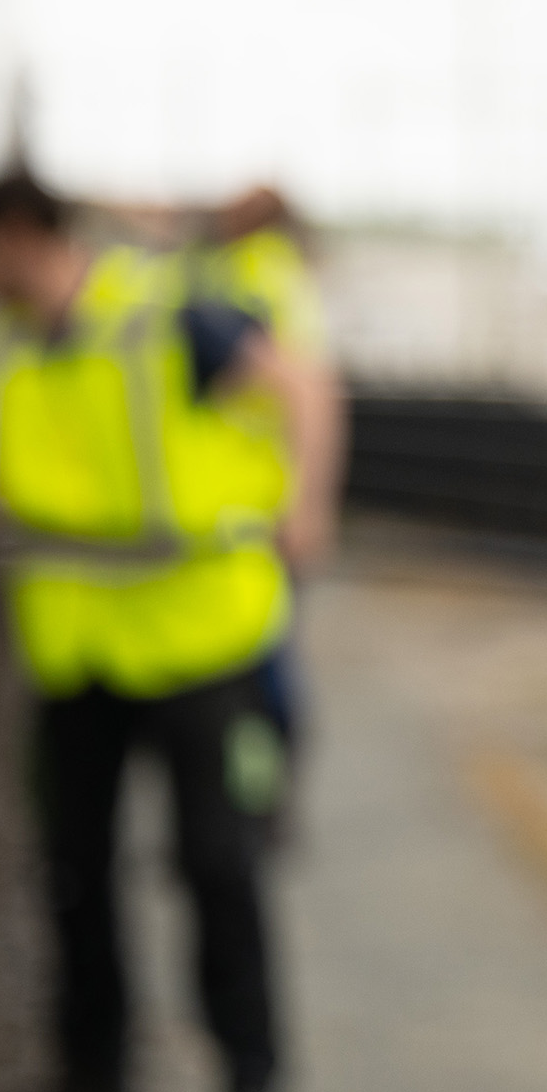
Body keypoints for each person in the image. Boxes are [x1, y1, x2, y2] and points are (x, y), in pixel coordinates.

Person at [0, 166, 339, 1092]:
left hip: (202, 639)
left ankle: (249, 1087)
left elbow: (307, 389)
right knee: (74, 871)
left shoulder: (167, 317)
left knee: (215, 867)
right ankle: (92, 1082)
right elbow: (7, 485)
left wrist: (307, 509)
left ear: (18, 233)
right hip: (79, 655)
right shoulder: (3, 337)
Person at [190, 184, 346, 785]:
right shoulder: (284, 280)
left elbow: (307, 391)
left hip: (257, 509)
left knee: (257, 665)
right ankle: (263, 786)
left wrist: (306, 509)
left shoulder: (248, 279)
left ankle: (261, 788)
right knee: (263, 660)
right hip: (262, 504)